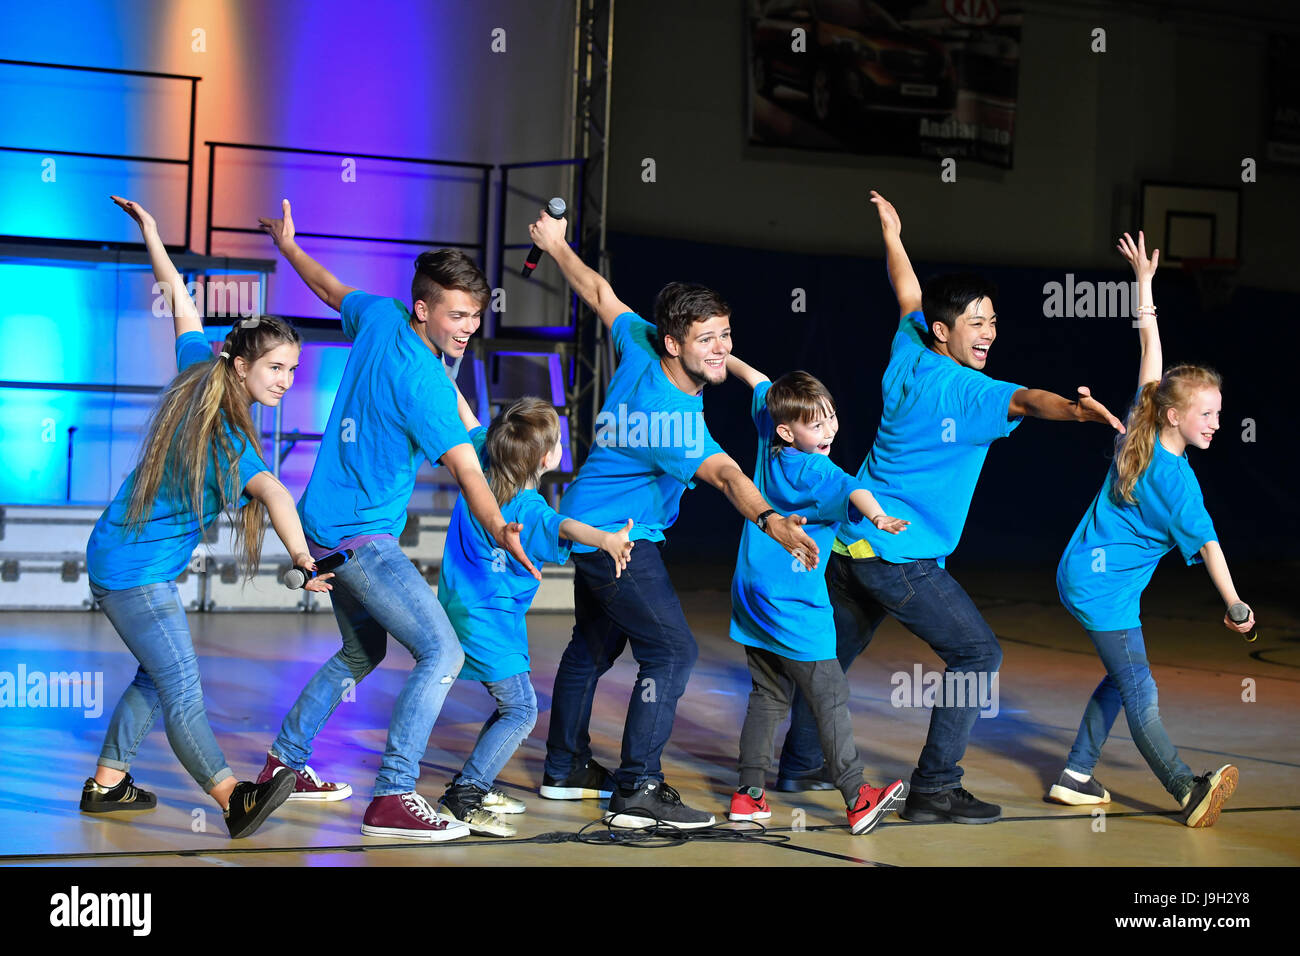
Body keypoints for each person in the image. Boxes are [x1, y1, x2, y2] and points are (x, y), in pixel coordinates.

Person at [779, 191, 1125, 825]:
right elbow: (1026, 401)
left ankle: (800, 763)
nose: (989, 332)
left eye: (993, 321)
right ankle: (935, 789)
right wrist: (1076, 410)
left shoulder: (908, 349)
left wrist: (892, 237)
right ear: (946, 331)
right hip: (900, 554)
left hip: (851, 543)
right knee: (978, 657)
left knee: (830, 658)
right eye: (976, 322)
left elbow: (908, 292)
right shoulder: (969, 390)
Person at [526, 209, 821, 829]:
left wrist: (556, 245)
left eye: (726, 334)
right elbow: (726, 475)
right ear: (674, 344)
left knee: (592, 647)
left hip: (588, 520)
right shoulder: (674, 423)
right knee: (673, 652)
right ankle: (638, 789)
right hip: (619, 542)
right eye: (708, 339)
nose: (722, 347)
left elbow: (599, 292)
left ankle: (565, 768)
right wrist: (773, 520)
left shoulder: (638, 343)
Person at [256, 200, 540, 841]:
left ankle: (284, 763)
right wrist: (500, 527)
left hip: (319, 524)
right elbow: (470, 475)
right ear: (424, 309)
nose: (469, 326)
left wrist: (289, 247)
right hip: (360, 537)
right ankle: (392, 796)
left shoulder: (380, 316)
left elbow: (330, 288)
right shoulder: (427, 388)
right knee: (441, 650)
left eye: (475, 314)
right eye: (457, 315)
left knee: (362, 649)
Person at [81, 195, 331, 839]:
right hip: (135, 570)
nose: (284, 381)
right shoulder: (233, 442)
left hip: (122, 558)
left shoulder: (201, 368)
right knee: (183, 688)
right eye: (275, 368)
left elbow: (178, 297)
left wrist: (155, 236)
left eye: (292, 370)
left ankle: (107, 786)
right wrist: (305, 562)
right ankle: (231, 798)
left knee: (155, 675)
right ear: (241, 365)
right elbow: (276, 494)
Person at [1049, 231, 1247, 827]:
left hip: (1083, 571)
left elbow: (1149, 347)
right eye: (1206, 415)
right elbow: (1210, 547)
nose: (1217, 423)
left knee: (1121, 677)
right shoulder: (1180, 484)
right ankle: (1187, 789)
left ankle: (1074, 775)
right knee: (1140, 689)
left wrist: (1143, 285)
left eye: (1218, 412)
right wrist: (1236, 605)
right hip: (1102, 589)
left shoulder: (1141, 419)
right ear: (1175, 416)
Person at [723, 358, 909, 833]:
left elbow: (759, 381)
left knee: (768, 694)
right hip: (793, 603)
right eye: (816, 423)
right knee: (829, 695)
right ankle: (857, 796)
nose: (828, 429)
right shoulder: (816, 473)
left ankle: (748, 796)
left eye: (831, 417)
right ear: (789, 432)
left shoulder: (768, 436)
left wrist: (725, 358)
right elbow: (854, 489)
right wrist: (880, 517)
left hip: (751, 593)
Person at [436, 393, 634, 836]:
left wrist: (439, 368)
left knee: (511, 703)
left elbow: (465, 412)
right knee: (523, 709)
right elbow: (565, 528)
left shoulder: (484, 460)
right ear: (547, 457)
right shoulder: (528, 507)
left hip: (466, 604)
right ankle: (464, 796)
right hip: (487, 614)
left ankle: (476, 783)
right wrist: (605, 540)